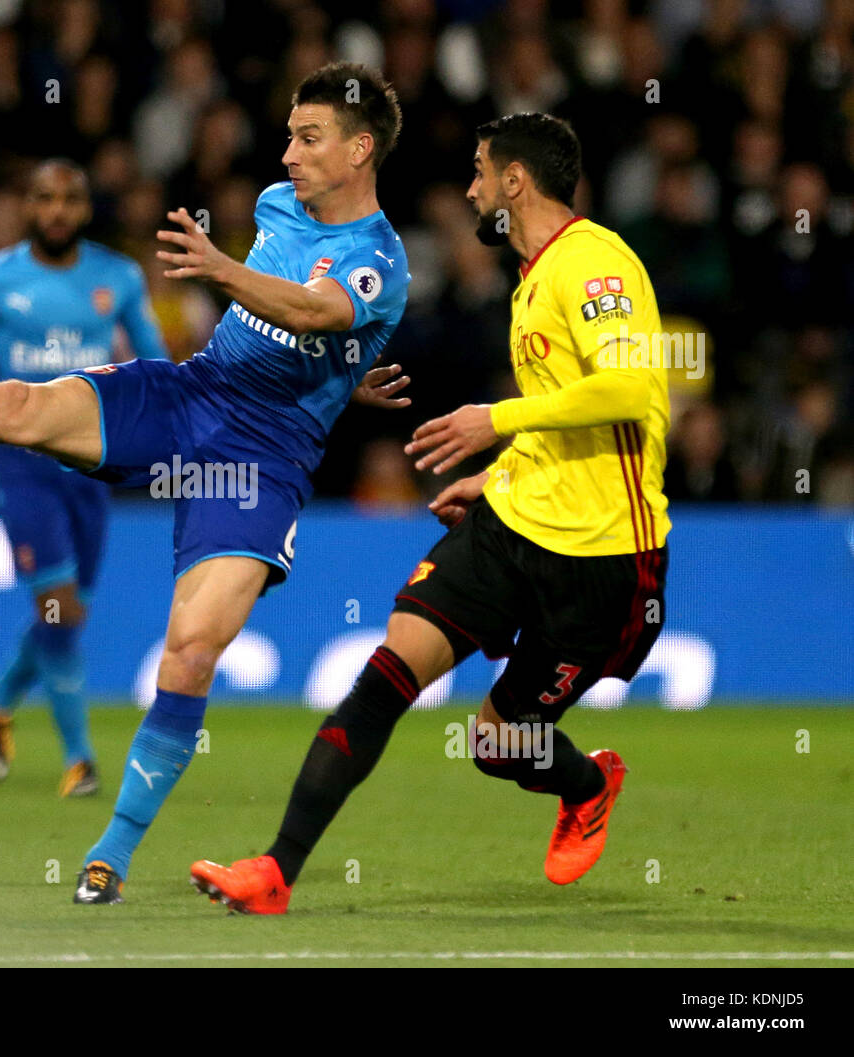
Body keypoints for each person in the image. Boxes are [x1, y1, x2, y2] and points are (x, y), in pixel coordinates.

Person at [0, 62, 413, 904]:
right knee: (19, 403)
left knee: (190, 649)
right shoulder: (275, 204)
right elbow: (291, 327)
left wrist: (225, 274)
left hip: (262, 459)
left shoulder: (381, 259)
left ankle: (111, 850)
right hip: (193, 392)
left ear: (360, 149)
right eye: (289, 132)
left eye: (309, 136)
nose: (288, 151)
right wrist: (344, 368)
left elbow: (318, 311)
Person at [190, 112, 671, 914]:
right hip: (512, 526)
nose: (473, 186)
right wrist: (500, 476)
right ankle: (274, 873)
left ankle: (587, 782)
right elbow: (573, 411)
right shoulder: (533, 277)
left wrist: (496, 422)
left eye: (482, 171)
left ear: (517, 181)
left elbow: (633, 392)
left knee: (496, 742)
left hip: (605, 559)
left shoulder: (594, 266)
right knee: (389, 670)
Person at [0, 159, 169, 798]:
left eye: (70, 199)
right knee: (57, 608)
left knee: (70, 611)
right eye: (44, 199)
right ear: (27, 207)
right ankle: (80, 760)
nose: (57, 210)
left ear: (85, 209)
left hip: (90, 458)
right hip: (20, 461)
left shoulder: (118, 277)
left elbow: (154, 359)